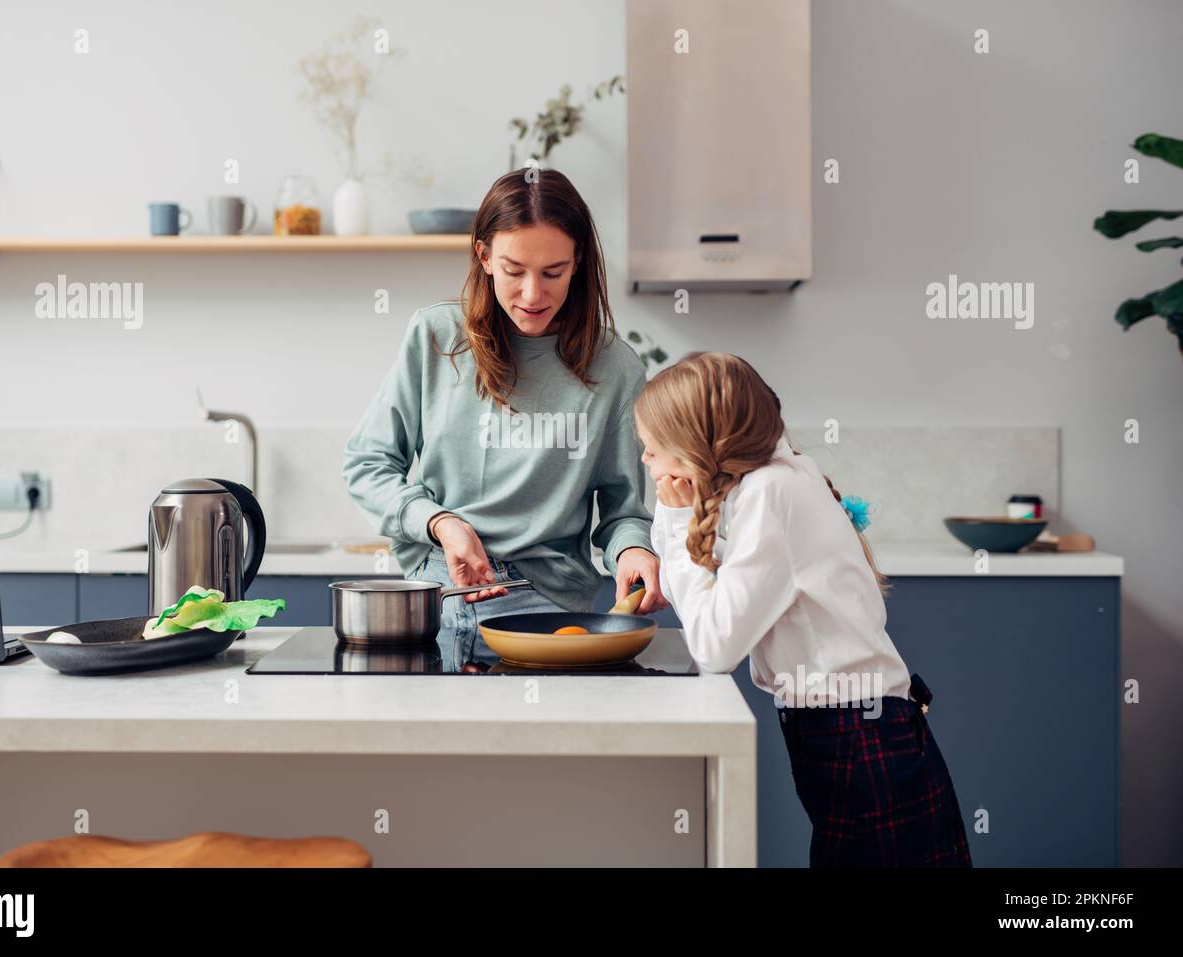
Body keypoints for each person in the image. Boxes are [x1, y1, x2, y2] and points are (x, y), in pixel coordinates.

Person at [635, 351, 972, 867]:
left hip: (862, 743)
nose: (645, 461)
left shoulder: (773, 493)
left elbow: (714, 646)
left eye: (652, 449)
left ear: (695, 447)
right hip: (856, 736)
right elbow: (737, 590)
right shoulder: (775, 481)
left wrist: (677, 521)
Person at [343, 169, 666, 670]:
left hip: (548, 614)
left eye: (553, 272)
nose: (533, 295)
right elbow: (367, 464)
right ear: (484, 256)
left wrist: (632, 552)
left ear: (578, 262)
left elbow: (623, 510)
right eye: (514, 270)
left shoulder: (615, 367)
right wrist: (442, 523)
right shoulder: (436, 336)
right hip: (434, 600)